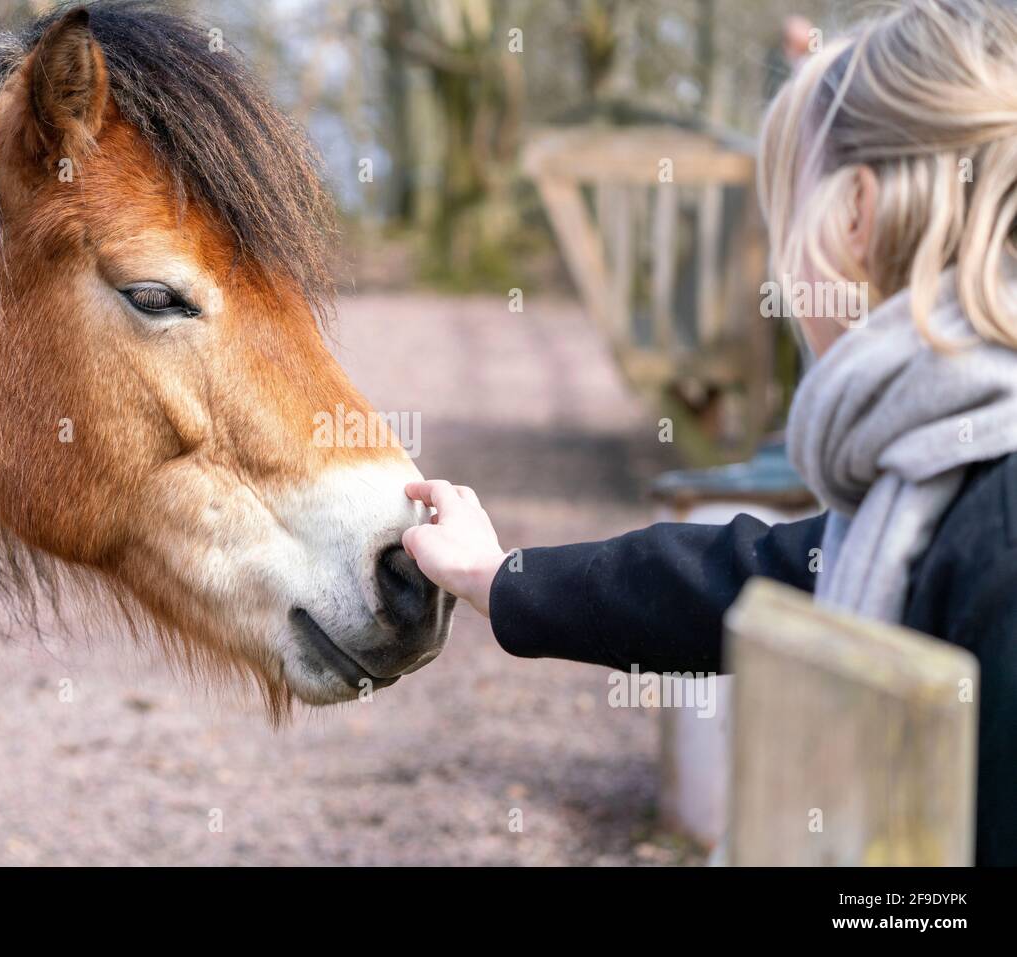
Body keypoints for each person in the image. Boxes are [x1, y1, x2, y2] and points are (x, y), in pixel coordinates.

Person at [401, 0, 1017, 867]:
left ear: (856, 219)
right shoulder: (933, 485)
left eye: (787, 218)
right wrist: (502, 578)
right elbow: (738, 581)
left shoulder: (995, 526)